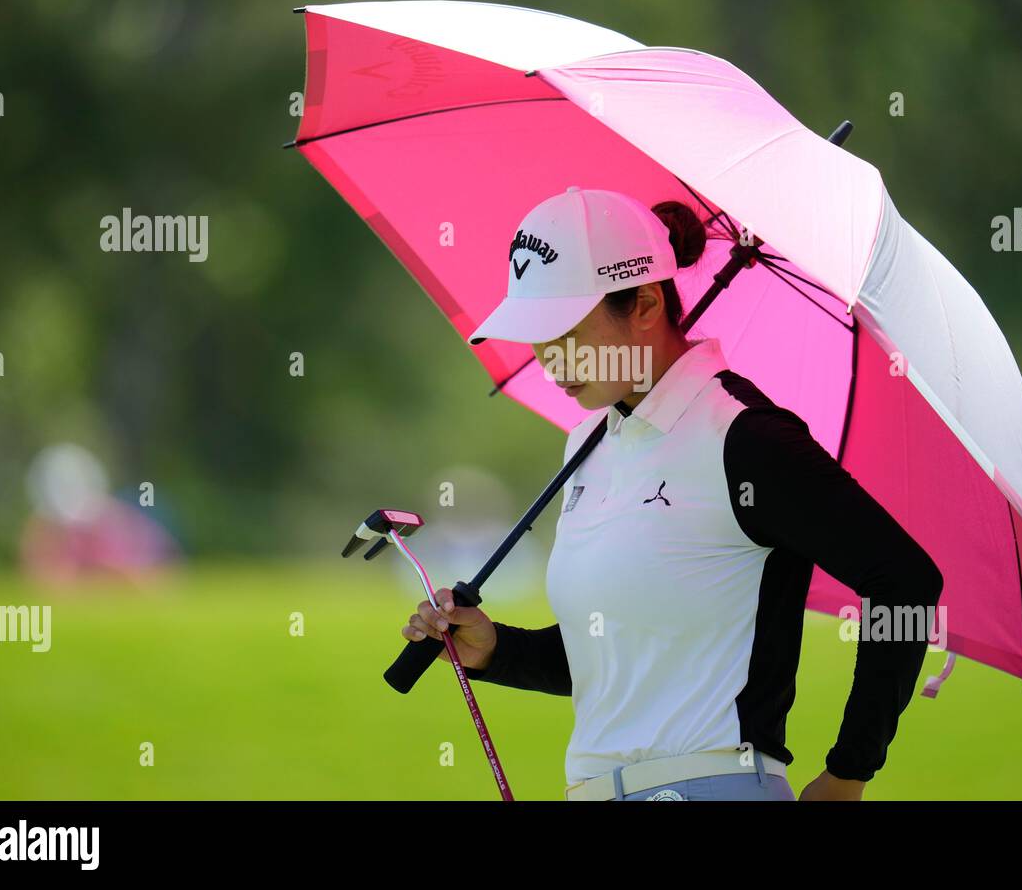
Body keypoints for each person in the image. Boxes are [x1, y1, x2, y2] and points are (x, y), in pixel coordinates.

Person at [401, 186, 944, 801]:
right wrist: (499, 650)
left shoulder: (747, 438)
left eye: (568, 332)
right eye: (538, 335)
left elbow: (905, 580)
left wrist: (849, 773)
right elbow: (622, 649)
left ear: (646, 304)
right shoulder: (590, 440)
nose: (552, 360)